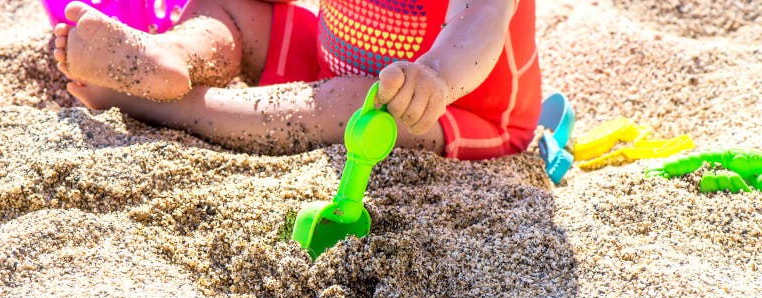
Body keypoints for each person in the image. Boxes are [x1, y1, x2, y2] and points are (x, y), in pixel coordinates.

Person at [53, 0, 540, 159]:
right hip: (334, 61)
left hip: (450, 107)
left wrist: (435, 77)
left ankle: (170, 108)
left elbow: (479, 28)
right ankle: (174, 56)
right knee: (236, 9)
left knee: (358, 103)